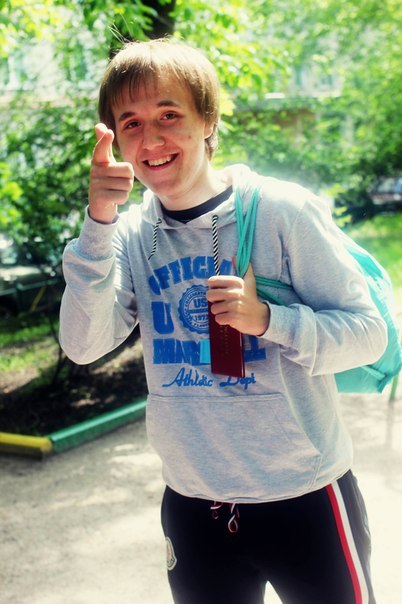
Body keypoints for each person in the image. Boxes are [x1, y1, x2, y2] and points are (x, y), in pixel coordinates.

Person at [59, 38, 386, 604]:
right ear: (114, 139)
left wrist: (270, 320)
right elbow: (83, 345)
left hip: (304, 494)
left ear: (207, 121)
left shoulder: (282, 212)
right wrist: (97, 222)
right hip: (193, 504)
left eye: (169, 115)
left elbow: (367, 334)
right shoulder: (128, 234)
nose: (151, 140)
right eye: (131, 123)